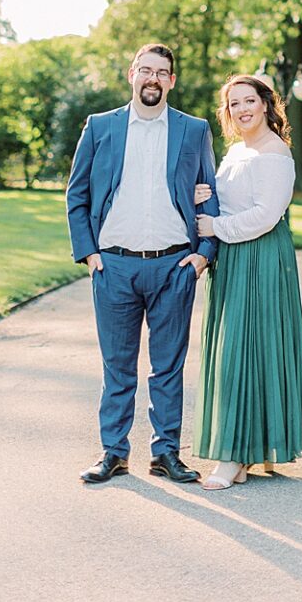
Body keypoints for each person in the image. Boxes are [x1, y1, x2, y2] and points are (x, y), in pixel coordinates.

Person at [67, 43, 220, 485]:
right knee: (117, 366)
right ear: (131, 74)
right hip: (113, 267)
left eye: (162, 73)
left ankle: (166, 453)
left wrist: (202, 257)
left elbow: (212, 196)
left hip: (175, 267)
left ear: (172, 81)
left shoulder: (194, 131)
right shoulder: (100, 128)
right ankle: (114, 452)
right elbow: (76, 195)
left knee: (168, 367)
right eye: (145, 70)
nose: (153, 79)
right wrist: (90, 254)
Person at [190, 74, 302, 491]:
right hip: (235, 255)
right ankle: (241, 452)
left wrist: (214, 225)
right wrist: (202, 199)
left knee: (246, 351)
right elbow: (228, 198)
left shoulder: (274, 153)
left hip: (260, 258)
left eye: (249, 101)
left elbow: (265, 215)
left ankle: (232, 456)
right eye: (233, 104)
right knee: (236, 350)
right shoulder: (236, 150)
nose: (242, 109)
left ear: (265, 105)